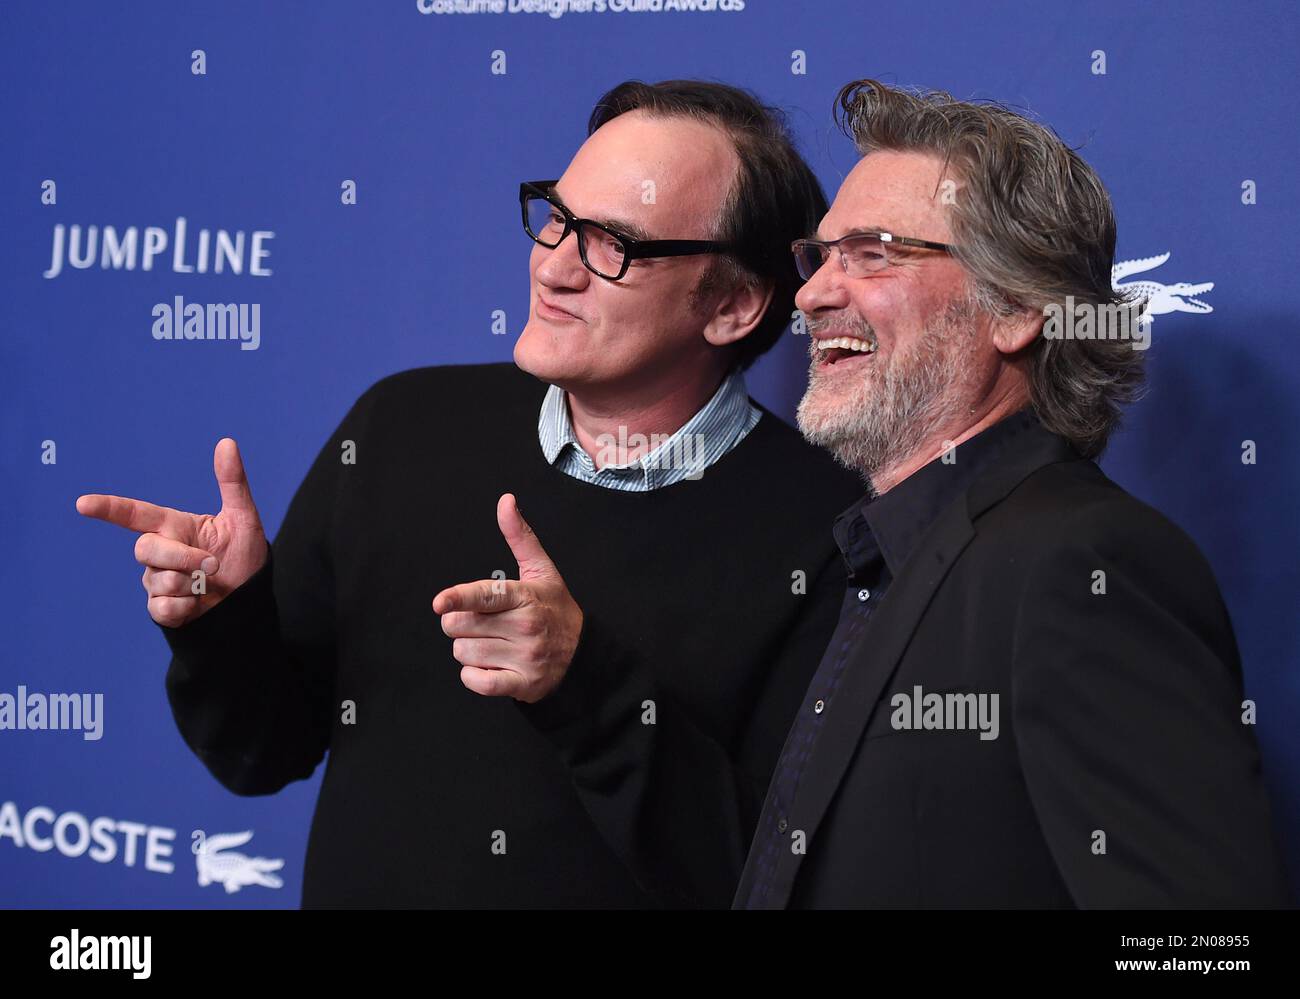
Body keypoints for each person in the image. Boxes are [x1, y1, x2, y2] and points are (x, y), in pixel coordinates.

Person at [76, 79, 863, 908]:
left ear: (735, 305)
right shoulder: (401, 426)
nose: (554, 264)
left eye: (612, 244)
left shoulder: (833, 530)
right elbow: (257, 755)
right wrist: (224, 619)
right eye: (556, 216)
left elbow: (774, 875)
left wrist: (581, 681)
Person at [735, 78, 1290, 908]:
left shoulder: (1085, 566)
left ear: (1019, 305)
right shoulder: (884, 561)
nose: (812, 293)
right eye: (820, 256)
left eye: (874, 252)